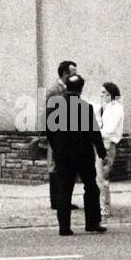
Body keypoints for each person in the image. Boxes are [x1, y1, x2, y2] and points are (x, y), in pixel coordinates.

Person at [45, 73, 106, 236]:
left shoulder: (54, 107)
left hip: (63, 156)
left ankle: (64, 227)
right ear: (80, 89)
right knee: (91, 188)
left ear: (67, 88)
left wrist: (56, 148)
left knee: (64, 190)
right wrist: (101, 151)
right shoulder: (85, 107)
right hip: (83, 155)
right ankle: (92, 222)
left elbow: (49, 131)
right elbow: (94, 132)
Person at [46, 61, 79, 212]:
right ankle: (56, 201)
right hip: (57, 134)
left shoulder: (71, 89)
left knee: (67, 168)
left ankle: (65, 200)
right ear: (65, 74)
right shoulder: (54, 91)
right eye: (73, 74)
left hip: (68, 135)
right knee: (55, 167)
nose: (75, 77)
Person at [96, 82, 124, 222]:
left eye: (105, 93)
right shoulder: (108, 108)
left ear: (111, 94)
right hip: (104, 143)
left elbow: (110, 130)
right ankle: (102, 205)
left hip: (107, 144)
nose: (102, 96)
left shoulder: (115, 109)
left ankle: (104, 207)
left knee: (102, 177)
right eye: (101, 93)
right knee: (100, 177)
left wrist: (94, 133)